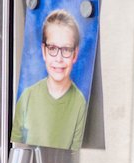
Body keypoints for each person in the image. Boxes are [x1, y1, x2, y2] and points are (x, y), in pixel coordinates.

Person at [13, 8, 89, 148]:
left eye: (66, 49)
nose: (59, 58)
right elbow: (16, 148)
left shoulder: (80, 104)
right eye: (53, 48)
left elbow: (76, 154)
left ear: (75, 54)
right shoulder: (27, 98)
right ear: (44, 51)